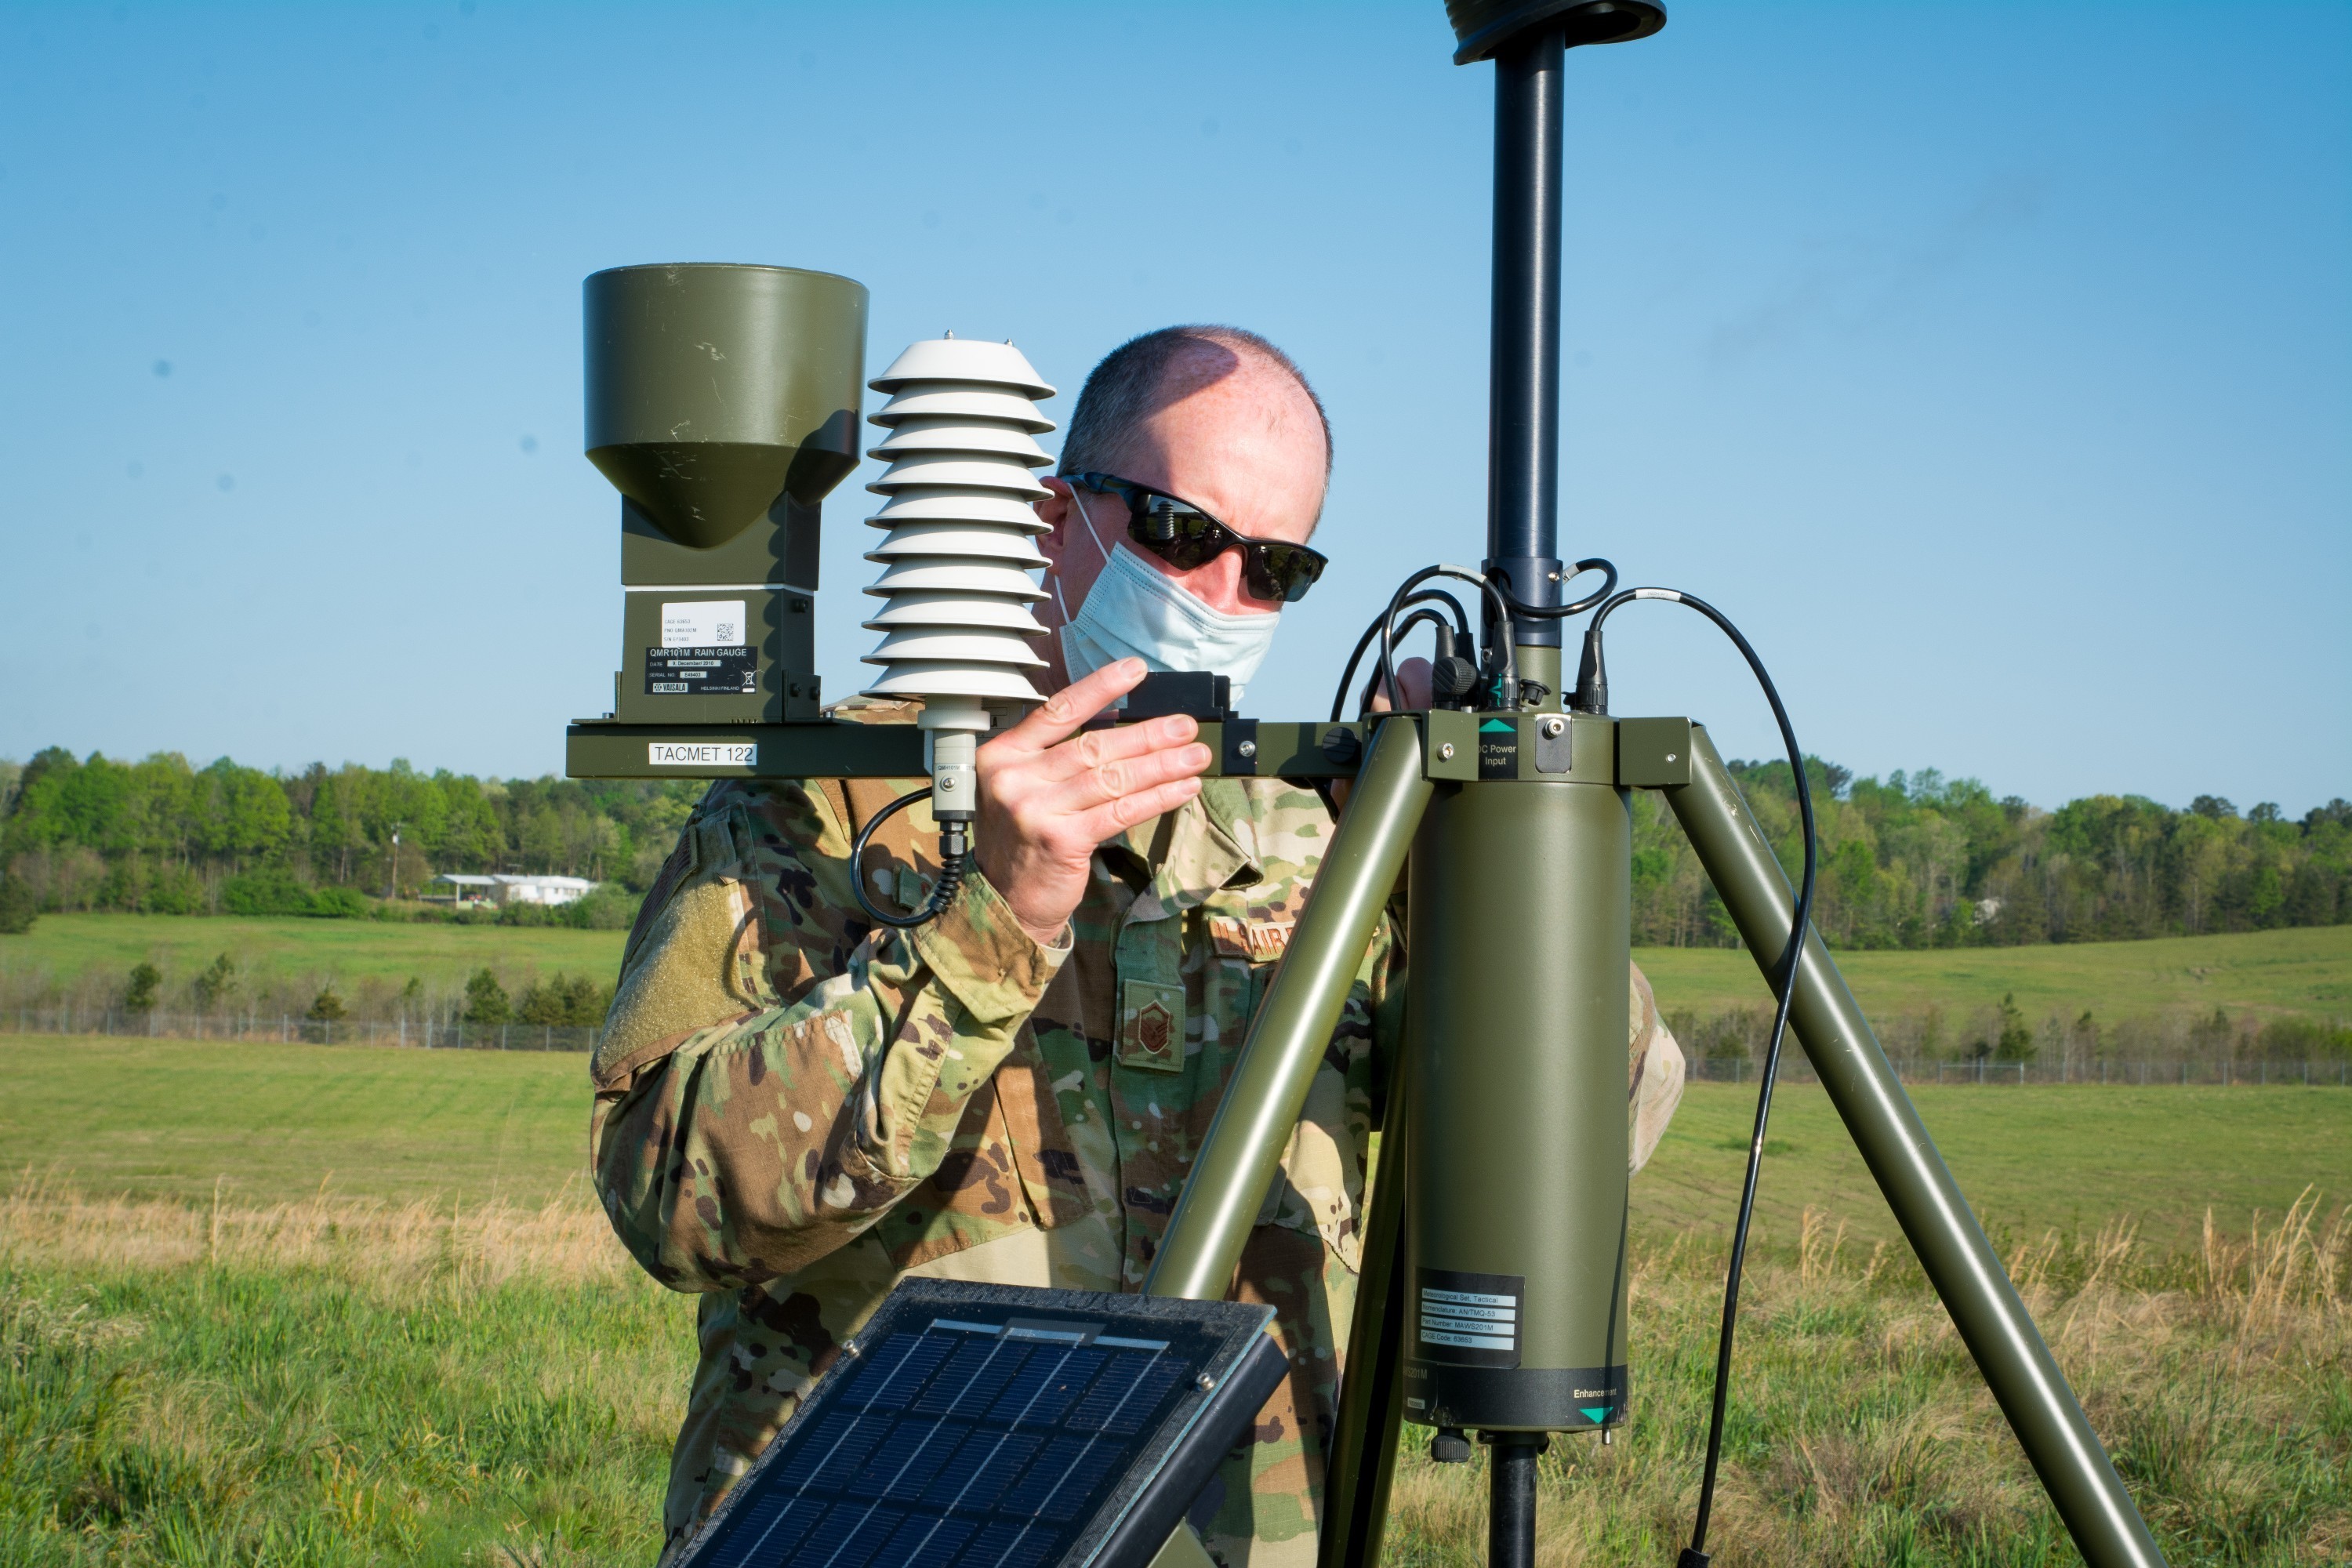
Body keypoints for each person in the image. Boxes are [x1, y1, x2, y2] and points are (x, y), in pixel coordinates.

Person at [590, 325, 1686, 1566]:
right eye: (1179, 532)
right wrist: (987, 924)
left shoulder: (1324, 837)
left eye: (1274, 567)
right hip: (881, 1527)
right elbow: (665, 1201)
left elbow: (1613, 1125)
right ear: (1056, 520)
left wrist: (1474, 870)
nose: (1221, 597)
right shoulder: (832, 804)